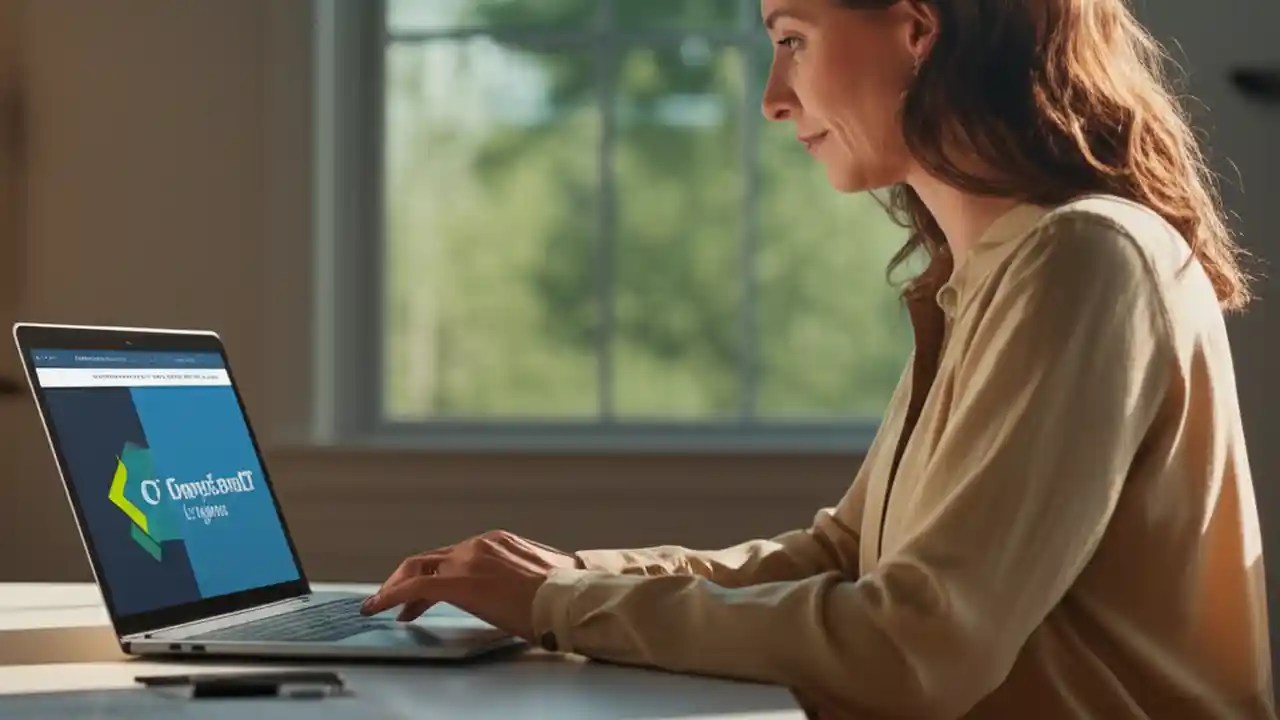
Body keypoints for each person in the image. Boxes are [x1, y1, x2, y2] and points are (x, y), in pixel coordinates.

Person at [361, 0, 1274, 716]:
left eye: (792, 38)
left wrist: (561, 605)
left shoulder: (1083, 260)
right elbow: (847, 556)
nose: (771, 96)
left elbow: (919, 645)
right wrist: (565, 579)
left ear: (918, 30)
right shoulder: (991, 271)